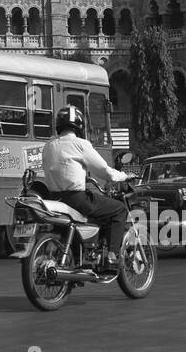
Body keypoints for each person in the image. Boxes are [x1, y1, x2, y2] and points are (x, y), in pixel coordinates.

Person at [40, 105, 132, 276]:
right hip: (76, 199)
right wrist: (124, 176)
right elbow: (105, 172)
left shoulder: (48, 146)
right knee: (119, 210)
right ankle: (111, 256)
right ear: (79, 125)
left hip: (54, 200)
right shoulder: (80, 144)